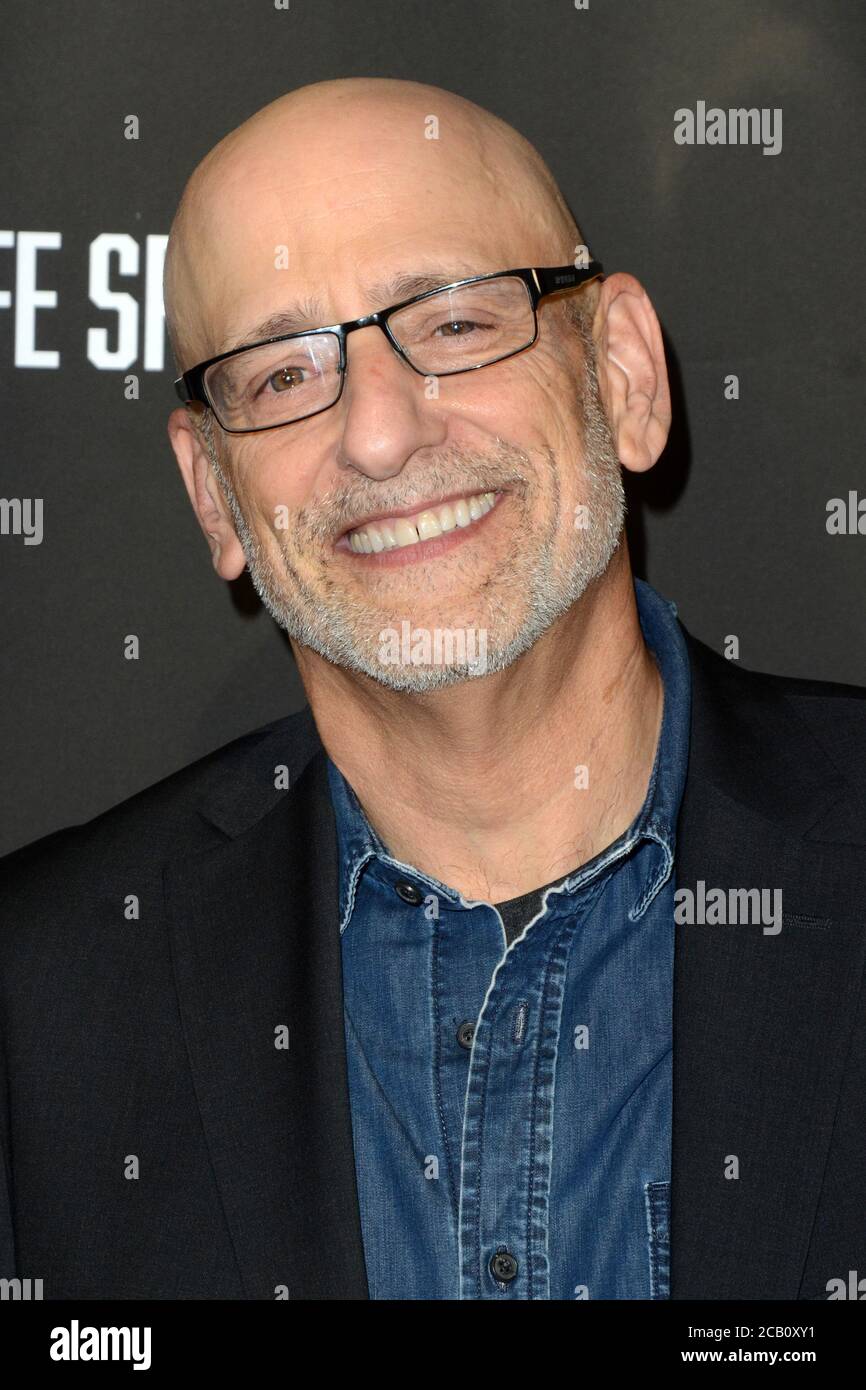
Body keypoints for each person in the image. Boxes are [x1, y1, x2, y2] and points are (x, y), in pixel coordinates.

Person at [1, 77, 864, 1302]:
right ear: (213, 495)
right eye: (282, 373)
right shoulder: (40, 1006)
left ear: (620, 373)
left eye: (453, 321)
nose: (378, 432)